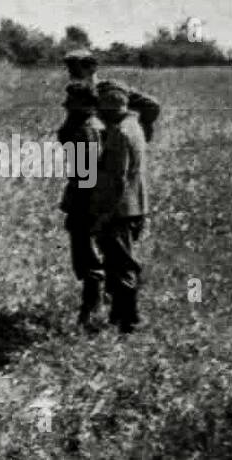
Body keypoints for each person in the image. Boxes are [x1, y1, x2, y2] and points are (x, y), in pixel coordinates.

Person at [91, 80, 149, 332]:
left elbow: (117, 179)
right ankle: (120, 316)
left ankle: (130, 321)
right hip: (133, 206)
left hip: (119, 210)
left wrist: (104, 215)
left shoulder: (119, 133)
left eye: (102, 108)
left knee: (121, 266)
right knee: (120, 263)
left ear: (110, 108)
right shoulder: (134, 126)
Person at [56, 82, 107, 330]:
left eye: (71, 102)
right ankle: (96, 305)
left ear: (84, 104)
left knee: (87, 259)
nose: (66, 105)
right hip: (87, 199)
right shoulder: (91, 127)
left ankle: (91, 310)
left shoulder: (84, 131)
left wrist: (80, 208)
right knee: (89, 258)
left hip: (85, 202)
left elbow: (86, 175)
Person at [62, 49, 160, 141]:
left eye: (75, 69)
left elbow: (151, 106)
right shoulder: (75, 93)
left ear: (91, 68)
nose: (71, 73)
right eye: (70, 68)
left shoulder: (110, 90)